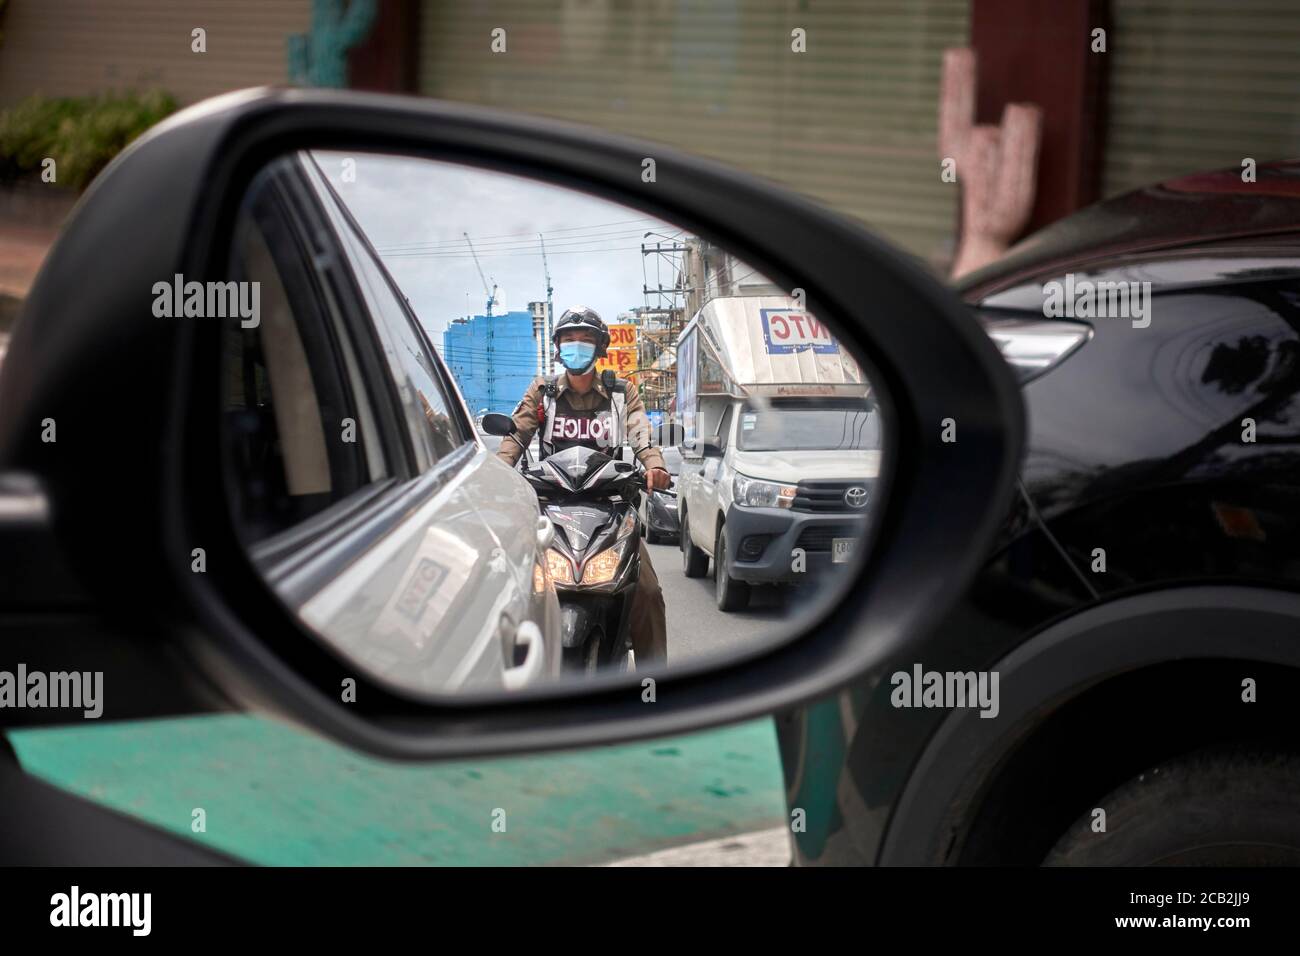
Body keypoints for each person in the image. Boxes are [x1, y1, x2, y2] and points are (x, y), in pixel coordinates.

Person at [496, 306, 671, 663]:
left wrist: (654, 466)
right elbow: (515, 437)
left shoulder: (621, 392)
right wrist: (498, 473)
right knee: (507, 584)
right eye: (569, 340)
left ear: (601, 348)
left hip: (609, 510)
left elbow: (641, 434)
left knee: (648, 593)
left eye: (586, 340)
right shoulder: (542, 392)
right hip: (549, 511)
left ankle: (657, 688)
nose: (577, 346)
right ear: (559, 348)